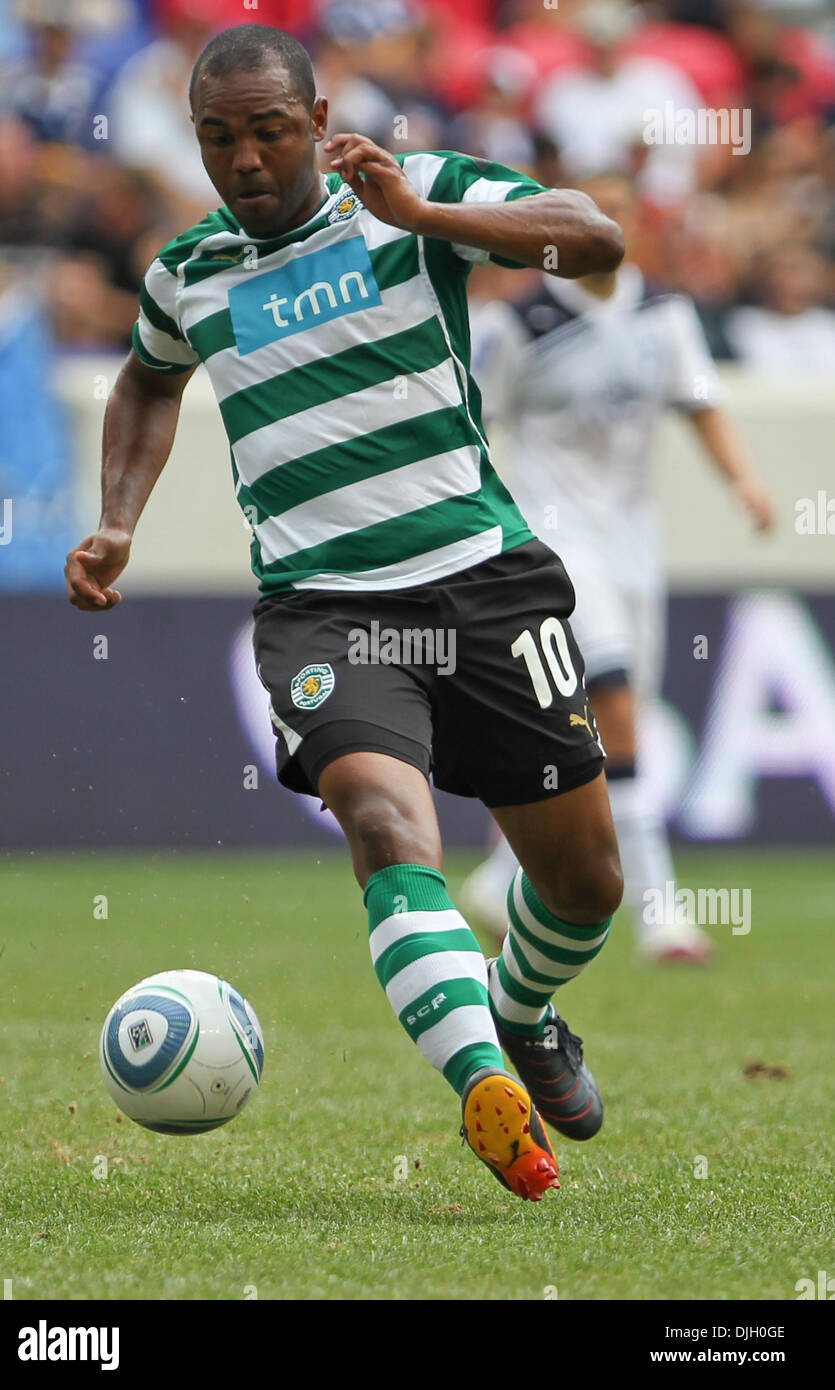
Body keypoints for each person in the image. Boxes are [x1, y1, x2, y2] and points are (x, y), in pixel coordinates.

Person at [65, 24, 625, 1203]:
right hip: (325, 609)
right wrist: (119, 517)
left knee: (585, 886)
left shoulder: (420, 194)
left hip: (482, 576)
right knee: (378, 814)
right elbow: (145, 381)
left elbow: (595, 236)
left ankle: (519, 1011)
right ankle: (487, 1087)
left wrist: (427, 218)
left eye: (270, 129)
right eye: (219, 138)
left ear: (319, 121)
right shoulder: (188, 270)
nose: (246, 159)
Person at [463, 173, 776, 964]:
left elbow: (699, 403)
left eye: (614, 212)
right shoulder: (517, 327)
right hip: (555, 545)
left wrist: (743, 482)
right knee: (617, 708)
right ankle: (660, 912)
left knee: (602, 722)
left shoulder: (663, 315)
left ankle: (499, 874)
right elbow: (468, 430)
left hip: (636, 545)